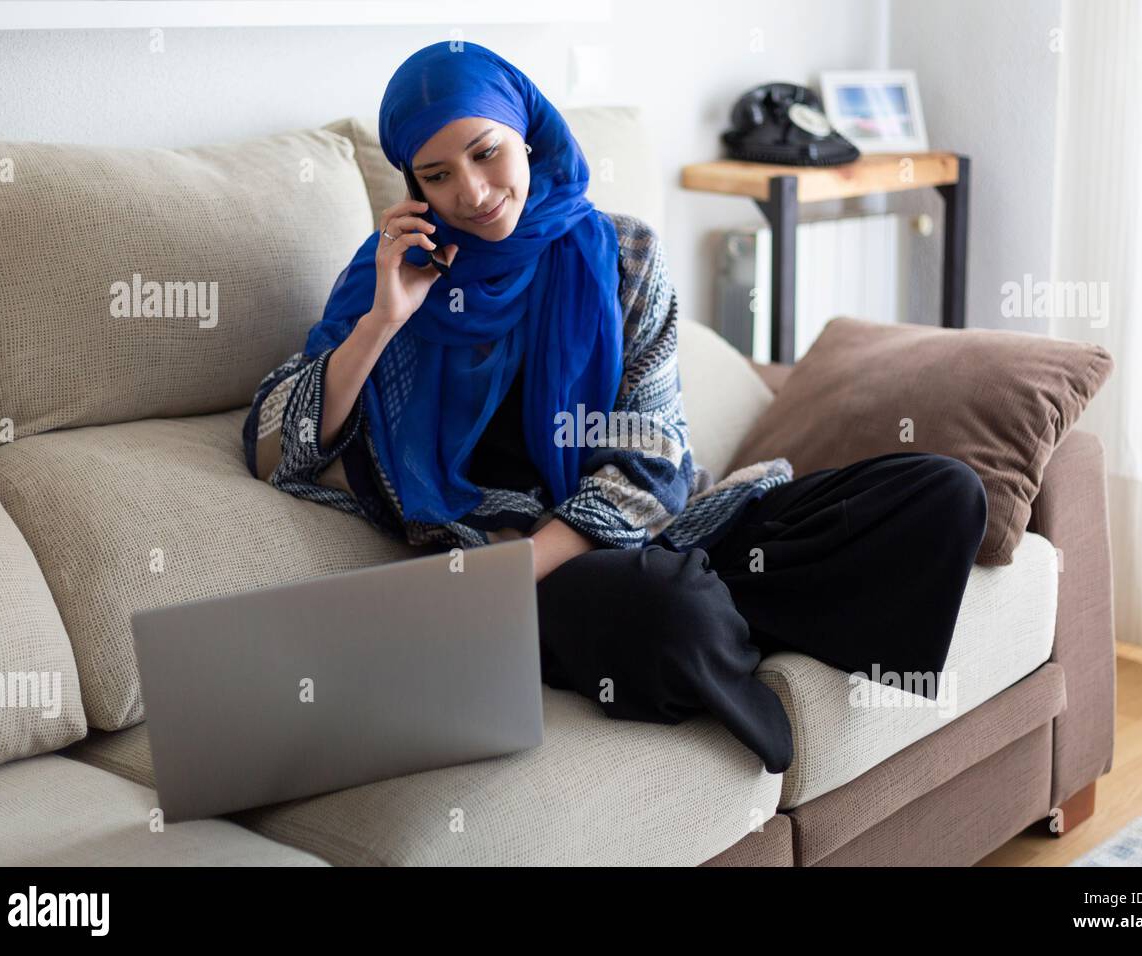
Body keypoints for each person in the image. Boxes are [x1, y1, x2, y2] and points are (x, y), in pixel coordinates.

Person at [242, 41, 988, 775]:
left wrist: (521, 567)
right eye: (438, 176)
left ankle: (710, 625)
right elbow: (278, 448)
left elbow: (656, 458)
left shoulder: (624, 254)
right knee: (666, 606)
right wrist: (382, 323)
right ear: (414, 190)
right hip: (553, 582)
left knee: (941, 493)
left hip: (624, 540)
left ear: (528, 133)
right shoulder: (390, 282)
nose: (470, 192)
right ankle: (711, 626)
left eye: (485, 152)